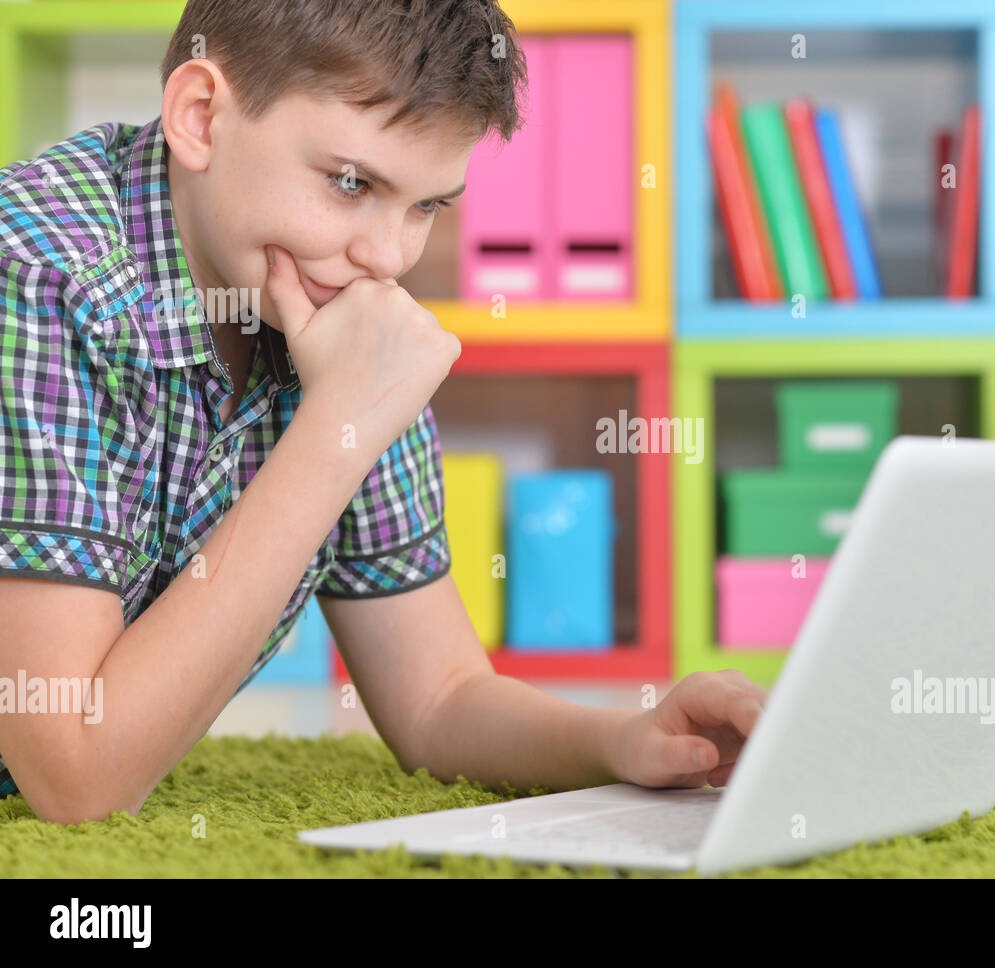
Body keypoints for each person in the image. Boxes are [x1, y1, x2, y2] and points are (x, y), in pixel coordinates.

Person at [0, 0, 766, 825]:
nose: (389, 256)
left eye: (427, 206)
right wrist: (339, 428)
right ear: (200, 116)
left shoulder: (331, 298)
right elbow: (74, 779)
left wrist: (629, 740)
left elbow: (437, 698)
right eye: (352, 183)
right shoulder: (40, 278)